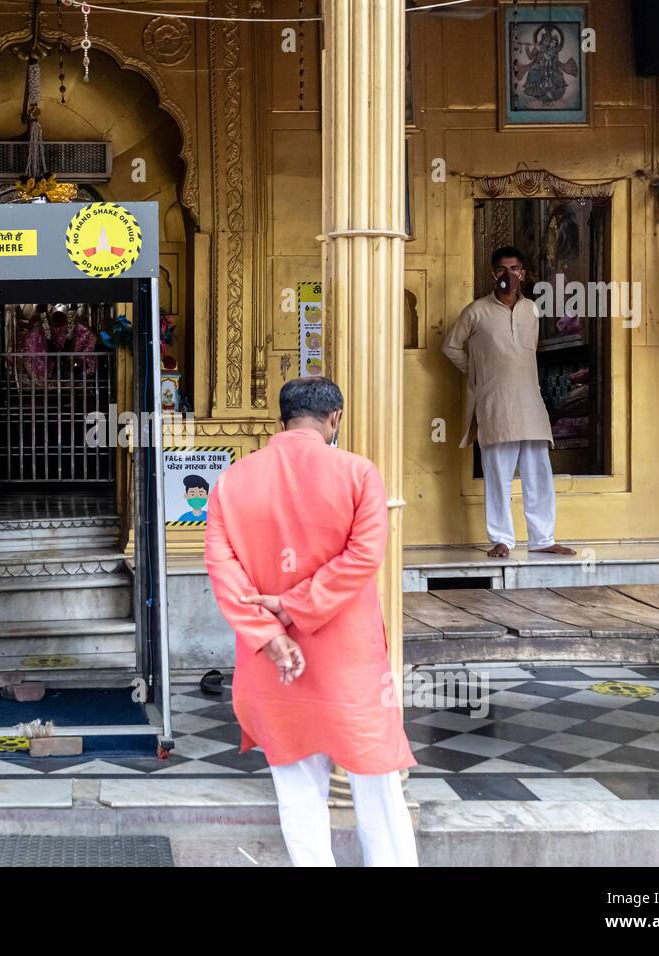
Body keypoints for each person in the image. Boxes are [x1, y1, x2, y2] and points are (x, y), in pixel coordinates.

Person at [204, 376, 419, 867]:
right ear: (335, 419)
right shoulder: (359, 473)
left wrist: (270, 634)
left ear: (280, 420)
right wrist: (299, 605)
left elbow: (223, 570)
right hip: (350, 661)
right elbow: (364, 557)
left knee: (297, 792)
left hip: (273, 668)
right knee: (378, 786)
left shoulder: (231, 481)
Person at [442, 246, 576, 559]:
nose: (509, 275)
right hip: (494, 404)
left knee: (538, 473)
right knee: (498, 474)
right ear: (493, 274)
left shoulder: (531, 310)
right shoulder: (476, 311)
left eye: (515, 268)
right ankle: (502, 538)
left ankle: (543, 538)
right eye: (502, 269)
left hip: (530, 403)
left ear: (523, 274)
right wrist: (478, 373)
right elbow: (450, 347)